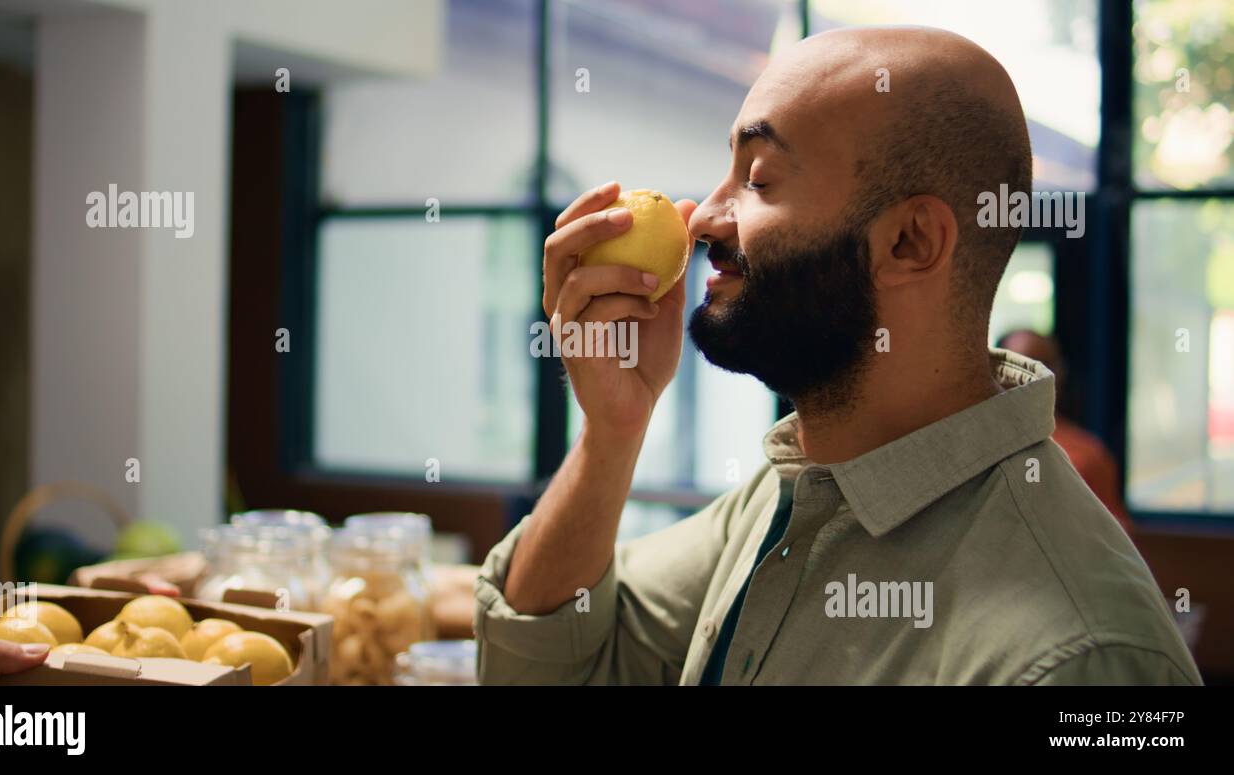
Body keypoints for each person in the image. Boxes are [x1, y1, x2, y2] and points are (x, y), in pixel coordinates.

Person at [473, 26, 1199, 685]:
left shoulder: (1081, 658)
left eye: (759, 179)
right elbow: (548, 662)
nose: (703, 220)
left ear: (910, 242)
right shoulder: (795, 491)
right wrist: (613, 429)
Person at [998, 329, 1132, 533]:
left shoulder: (1088, 456)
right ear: (997, 373)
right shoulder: (977, 447)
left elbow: (1117, 534)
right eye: (1022, 366)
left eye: (1044, 365)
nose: (1034, 376)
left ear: (1060, 372)